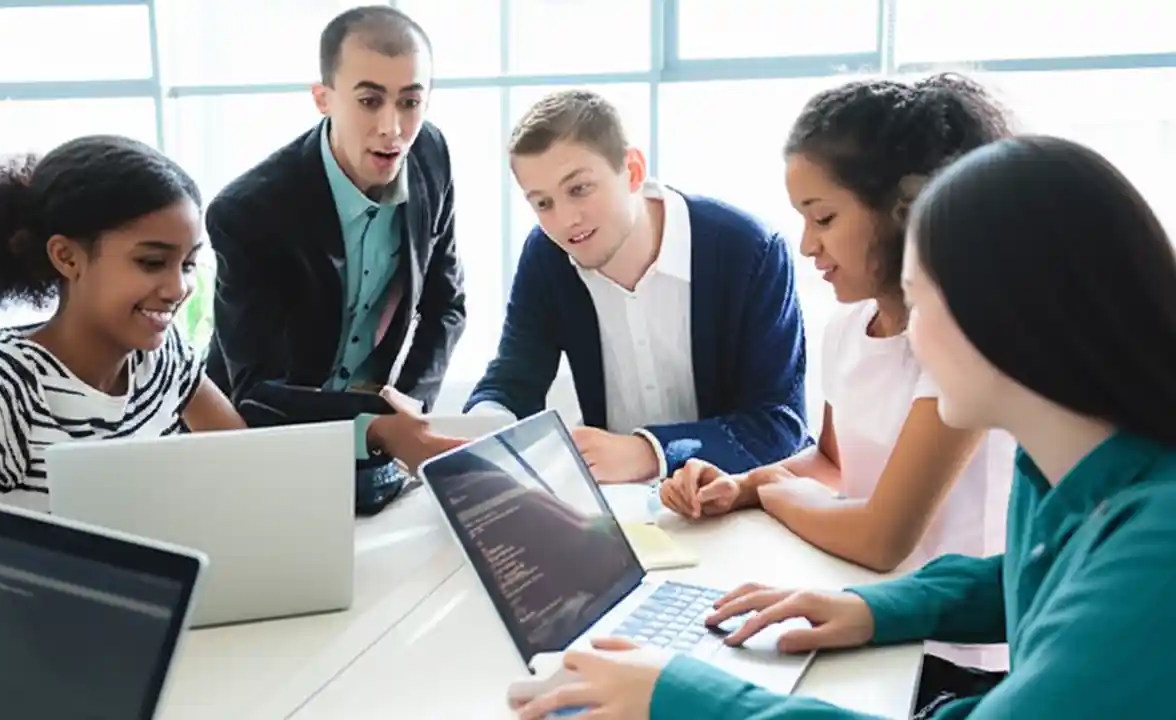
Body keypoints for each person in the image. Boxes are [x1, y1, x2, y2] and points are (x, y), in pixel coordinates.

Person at [513, 135, 1176, 720]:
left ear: (1008, 312)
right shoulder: (1067, 467)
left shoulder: (1159, 546)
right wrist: (873, 609)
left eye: (917, 299)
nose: (909, 332)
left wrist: (682, 696)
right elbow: (1037, 572)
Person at [662, 76, 1014, 587]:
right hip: (870, 604)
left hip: (957, 646)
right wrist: (741, 486)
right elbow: (831, 462)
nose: (807, 246)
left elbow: (882, 540)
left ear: (904, 211)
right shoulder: (848, 327)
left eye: (824, 218)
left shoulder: (962, 344)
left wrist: (773, 490)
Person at [0, 135, 246, 604]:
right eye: (151, 262)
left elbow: (245, 470)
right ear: (67, 257)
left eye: (187, 263)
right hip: (38, 647)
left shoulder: (166, 362)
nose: (177, 287)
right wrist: (44, 582)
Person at [466, 90, 809, 484]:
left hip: (737, 499)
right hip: (619, 502)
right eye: (543, 203)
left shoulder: (749, 250)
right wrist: (480, 430)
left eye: (579, 189)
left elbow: (779, 426)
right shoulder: (547, 255)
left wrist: (650, 451)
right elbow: (515, 378)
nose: (564, 221)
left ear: (632, 170)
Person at [203, 6, 465, 500]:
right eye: (369, 100)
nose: (392, 127)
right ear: (323, 98)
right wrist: (382, 424)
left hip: (372, 449)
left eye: (410, 102)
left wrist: (409, 406)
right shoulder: (248, 212)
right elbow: (253, 391)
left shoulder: (432, 155)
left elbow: (446, 306)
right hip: (258, 449)